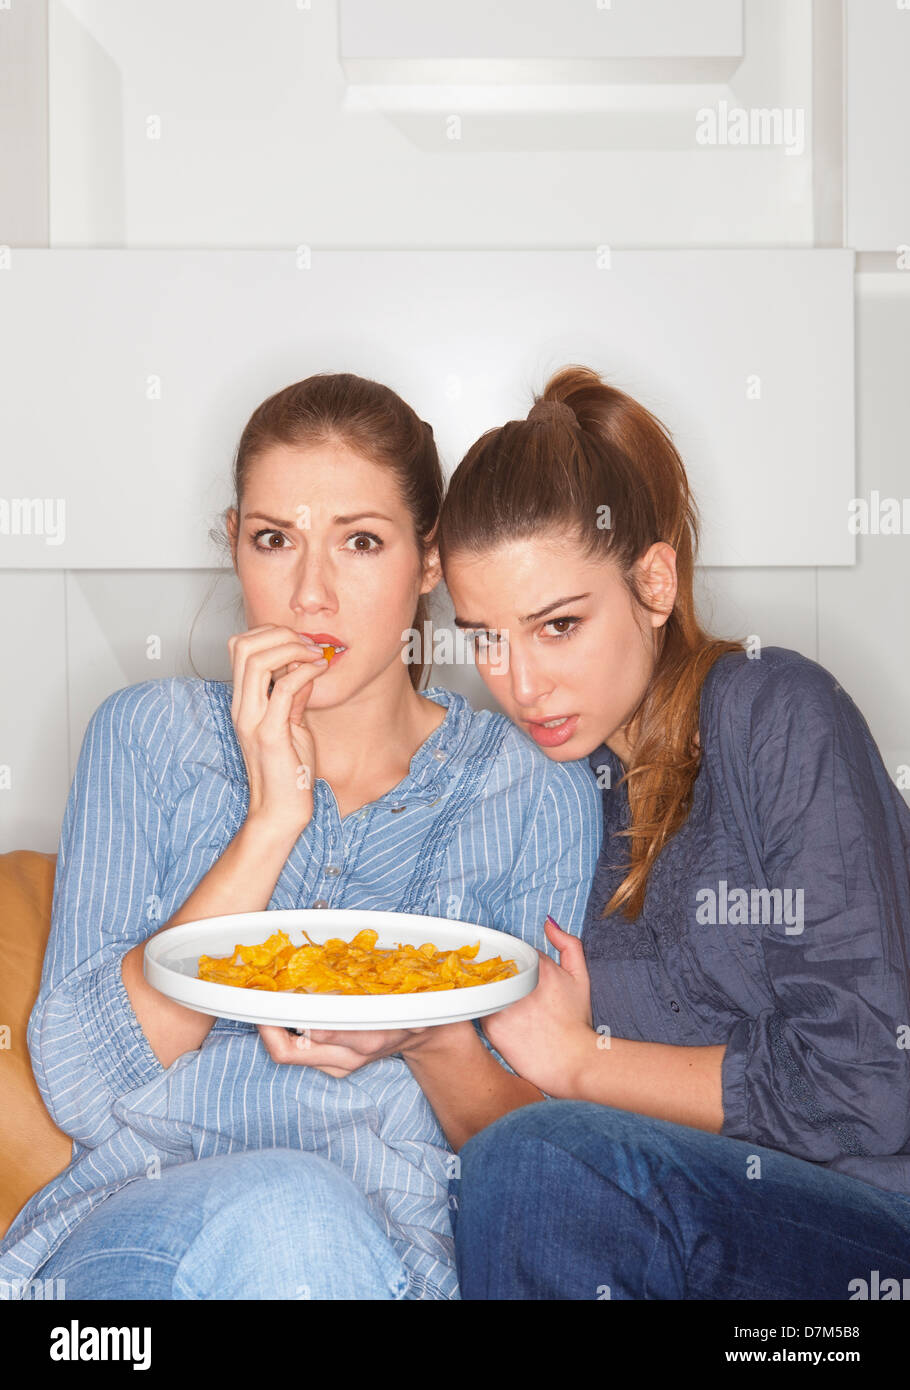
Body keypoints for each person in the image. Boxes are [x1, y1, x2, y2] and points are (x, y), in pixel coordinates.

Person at [0, 372, 600, 1302]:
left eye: (360, 542)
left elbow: (533, 1158)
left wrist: (431, 1037)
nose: (311, 596)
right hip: (131, 1240)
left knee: (304, 1217)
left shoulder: (532, 791)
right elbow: (78, 1087)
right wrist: (271, 821)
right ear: (234, 542)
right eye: (274, 540)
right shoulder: (147, 734)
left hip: (395, 1261)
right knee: (289, 1207)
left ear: (429, 561)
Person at [435, 365, 910, 1300]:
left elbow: (864, 1089)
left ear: (654, 583)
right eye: (485, 636)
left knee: (538, 1168)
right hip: (693, 1244)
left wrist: (585, 1062)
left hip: (874, 1229)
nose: (520, 684)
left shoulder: (775, 712)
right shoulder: (551, 796)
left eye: (557, 626)